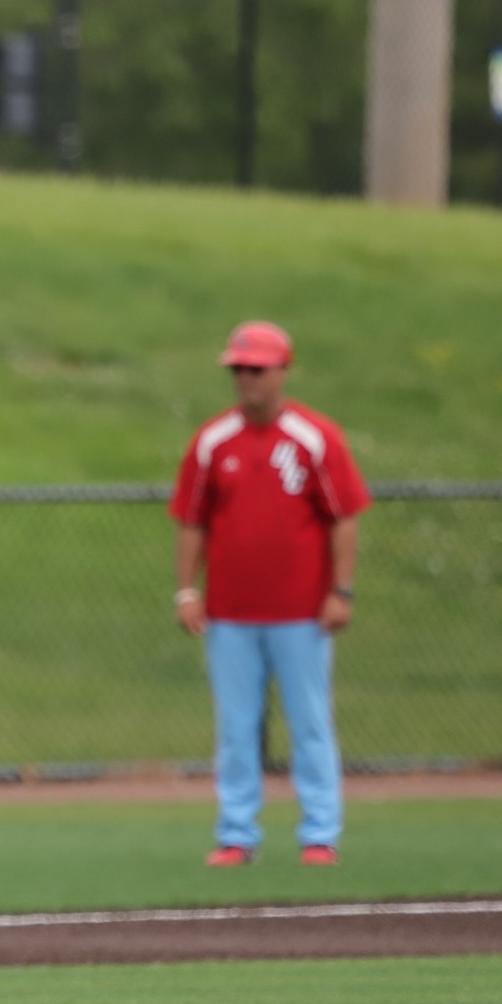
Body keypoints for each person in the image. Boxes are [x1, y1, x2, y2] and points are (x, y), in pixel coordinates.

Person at [168, 321, 369, 867]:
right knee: (236, 729)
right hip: (230, 613)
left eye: (256, 369)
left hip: (301, 612)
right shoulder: (213, 441)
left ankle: (320, 835)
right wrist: (187, 590)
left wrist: (341, 590)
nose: (246, 380)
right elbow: (191, 520)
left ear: (283, 371)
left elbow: (343, 517)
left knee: (310, 724)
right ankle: (237, 835)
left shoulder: (314, 438)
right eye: (238, 369)